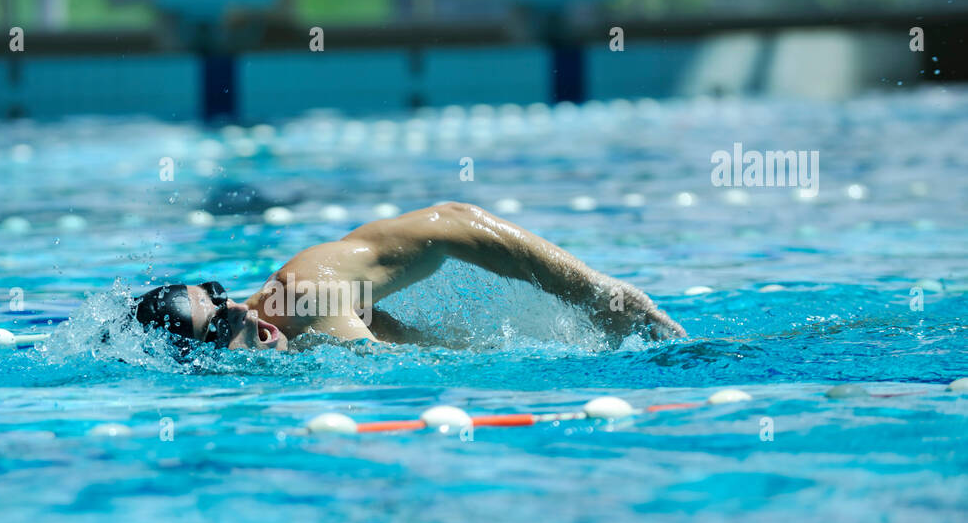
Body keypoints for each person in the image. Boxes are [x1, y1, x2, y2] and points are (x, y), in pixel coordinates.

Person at [133, 202, 685, 352]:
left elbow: (452, 220)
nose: (237, 312)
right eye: (216, 327)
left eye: (220, 297)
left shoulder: (305, 294)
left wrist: (594, 292)